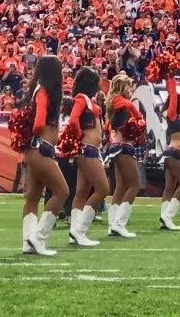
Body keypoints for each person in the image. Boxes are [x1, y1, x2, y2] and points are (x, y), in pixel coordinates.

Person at [16, 55, 71, 257]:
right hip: (41, 148)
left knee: (33, 196)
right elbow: (38, 123)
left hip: (36, 149)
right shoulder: (43, 92)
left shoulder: (40, 90)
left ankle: (28, 242)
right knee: (62, 191)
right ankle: (38, 238)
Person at [66, 67, 108, 247]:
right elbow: (73, 120)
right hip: (87, 149)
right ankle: (79, 230)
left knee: (82, 191)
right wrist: (77, 140)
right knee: (103, 189)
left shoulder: (88, 100)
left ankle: (75, 231)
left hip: (91, 149)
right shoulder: (81, 99)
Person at [104, 73, 143, 238]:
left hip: (116, 146)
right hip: (124, 147)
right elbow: (134, 116)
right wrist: (139, 119)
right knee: (135, 185)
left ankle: (113, 224)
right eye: (129, 86)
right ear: (122, 87)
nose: (131, 89)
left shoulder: (114, 103)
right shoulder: (122, 102)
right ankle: (119, 224)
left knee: (120, 187)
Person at [159, 71, 180, 229]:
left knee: (170, 187)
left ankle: (163, 217)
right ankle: (168, 216)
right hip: (173, 154)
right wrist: (170, 76)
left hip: (173, 154)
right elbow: (172, 94)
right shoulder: (171, 115)